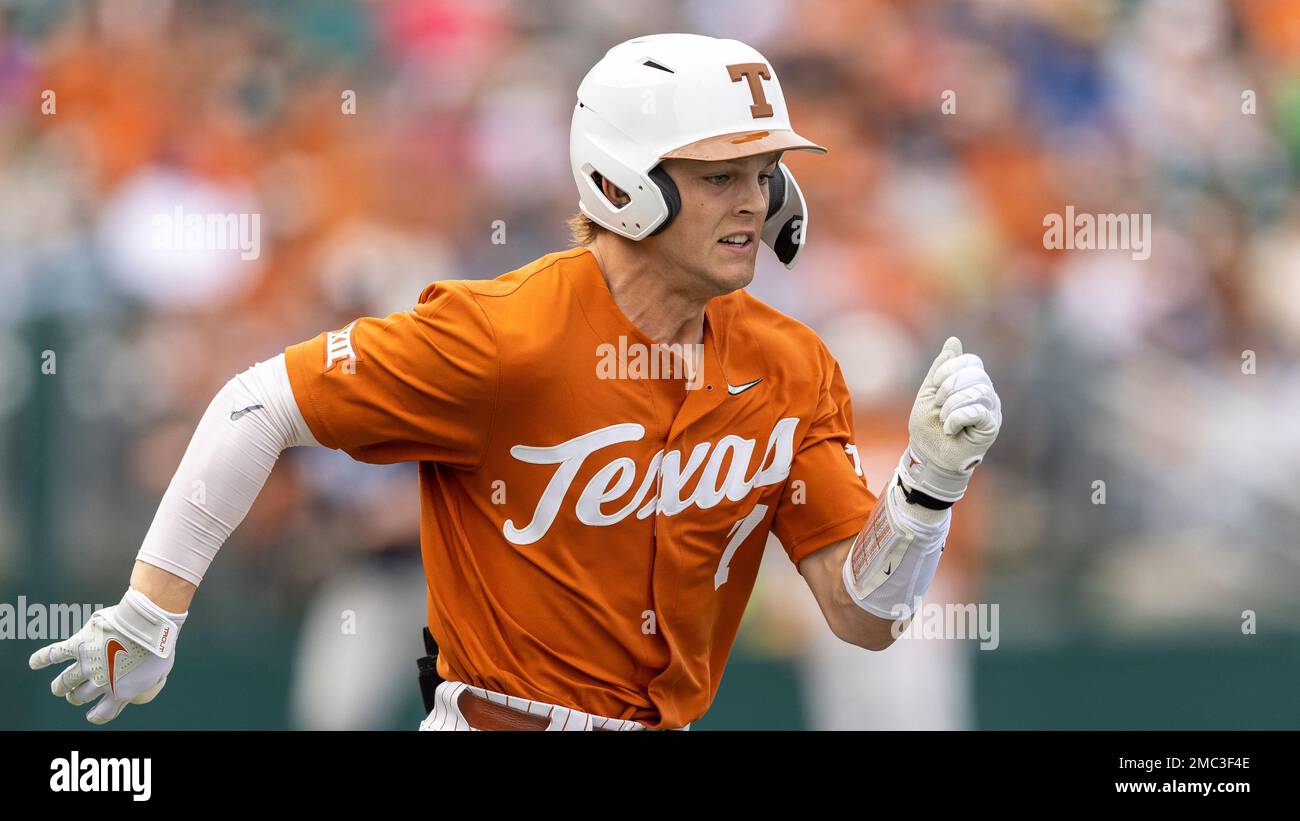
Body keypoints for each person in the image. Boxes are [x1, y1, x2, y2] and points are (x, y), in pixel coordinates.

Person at [29, 33, 1001, 731]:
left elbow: (864, 615)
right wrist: (151, 609)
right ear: (624, 180)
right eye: (719, 176)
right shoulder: (505, 331)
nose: (756, 199)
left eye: (764, 172)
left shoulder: (792, 363)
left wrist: (926, 487)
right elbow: (258, 402)